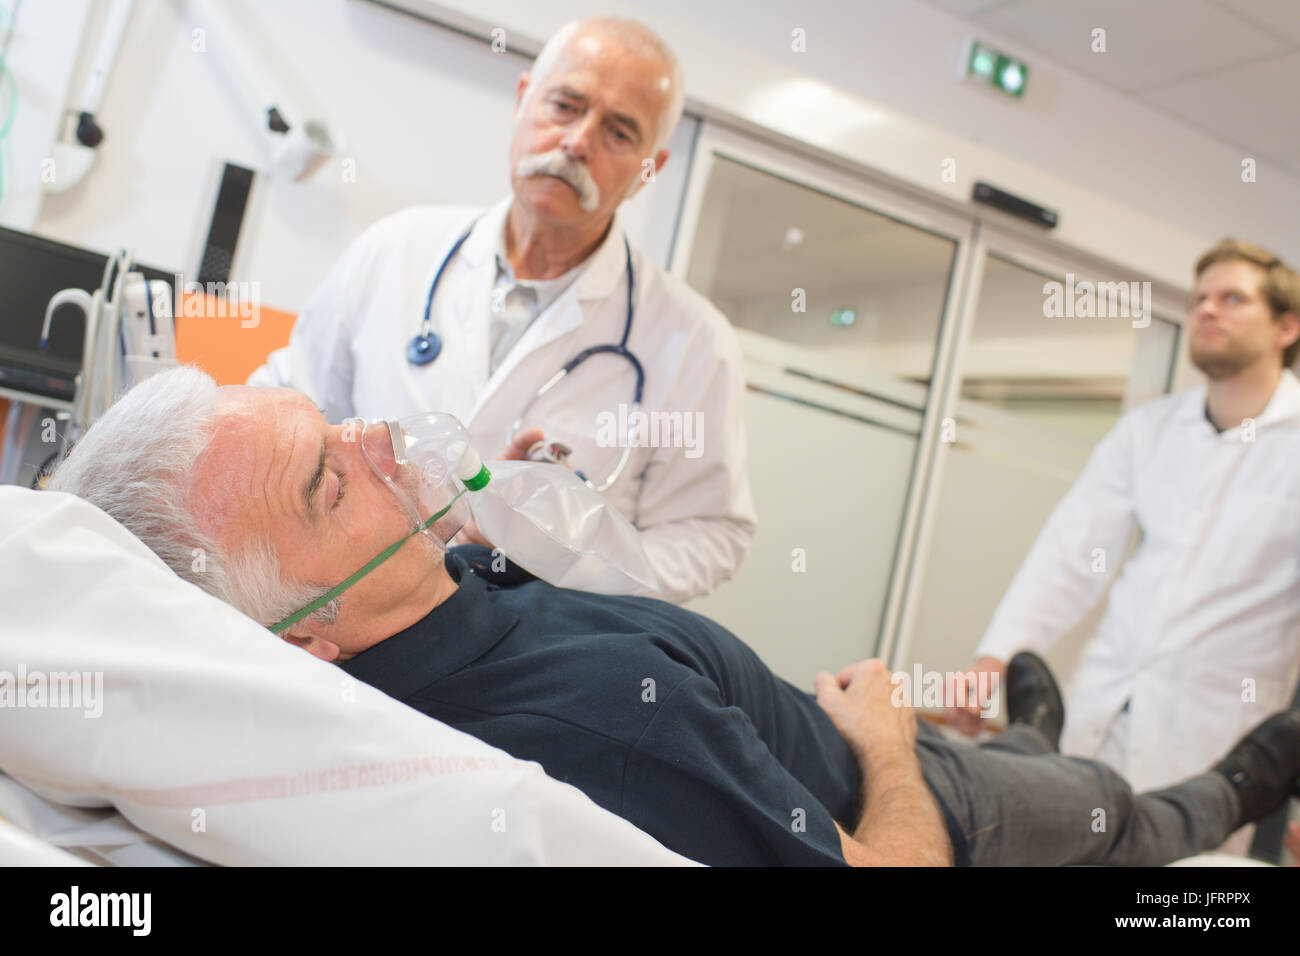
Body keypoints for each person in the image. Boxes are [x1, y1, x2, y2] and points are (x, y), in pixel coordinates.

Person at [45, 367, 1300, 866]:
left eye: (335, 416)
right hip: (914, 803)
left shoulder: (432, 586)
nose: (380, 439)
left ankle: (1026, 727)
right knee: (1114, 813)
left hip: (830, 731)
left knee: (1015, 742)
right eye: (332, 475)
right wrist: (877, 744)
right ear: (304, 635)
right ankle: (1242, 784)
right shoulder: (578, 736)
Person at [247, 17, 756, 604]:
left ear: (650, 169)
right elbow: (288, 403)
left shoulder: (691, 339)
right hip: (333, 603)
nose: (577, 142)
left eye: (619, 132)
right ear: (522, 101)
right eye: (565, 105)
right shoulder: (398, 249)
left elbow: (710, 532)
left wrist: (569, 556)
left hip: (524, 647)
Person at [948, 238, 1300, 853]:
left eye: (1233, 299)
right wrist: (996, 656)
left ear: (1286, 326)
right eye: (1200, 300)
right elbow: (1071, 552)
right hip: (1102, 707)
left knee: (1171, 910)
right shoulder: (1149, 430)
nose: (1208, 311)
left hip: (1213, 741)